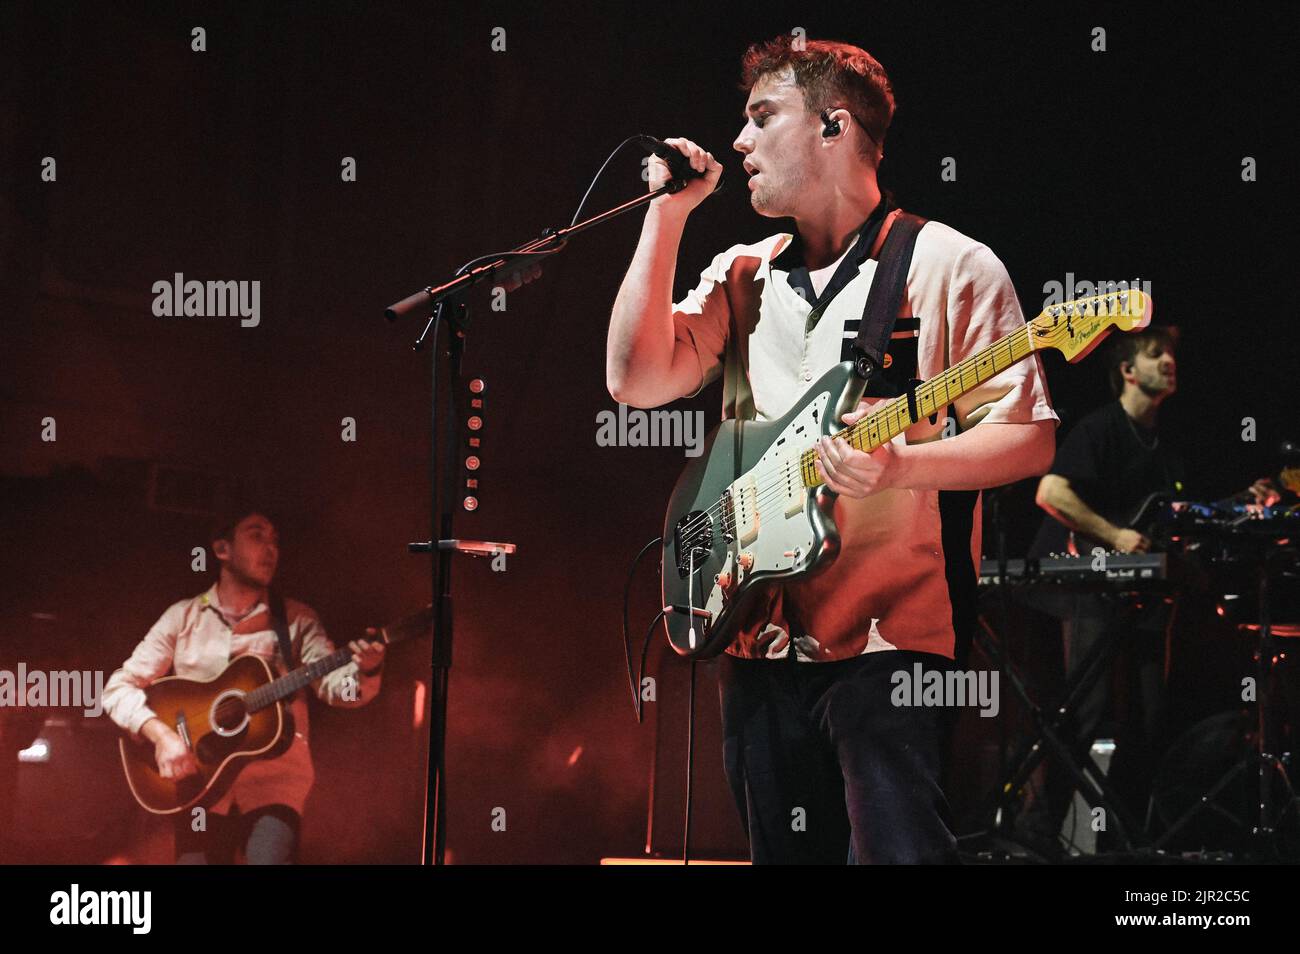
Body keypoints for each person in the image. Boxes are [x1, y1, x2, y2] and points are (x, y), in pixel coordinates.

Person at [607, 36, 1058, 863]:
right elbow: (634, 381)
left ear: (833, 126)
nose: (738, 143)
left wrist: (906, 465)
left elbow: (1027, 437)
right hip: (755, 629)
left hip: (892, 641)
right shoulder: (741, 272)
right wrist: (664, 217)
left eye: (761, 118)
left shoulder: (951, 265)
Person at [102, 505, 385, 864]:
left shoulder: (297, 621)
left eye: (275, 540)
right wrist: (162, 735)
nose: (271, 549)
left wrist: (367, 671)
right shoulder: (183, 617)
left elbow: (336, 689)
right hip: (197, 789)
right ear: (222, 549)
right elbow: (117, 688)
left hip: (275, 786)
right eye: (256, 535)